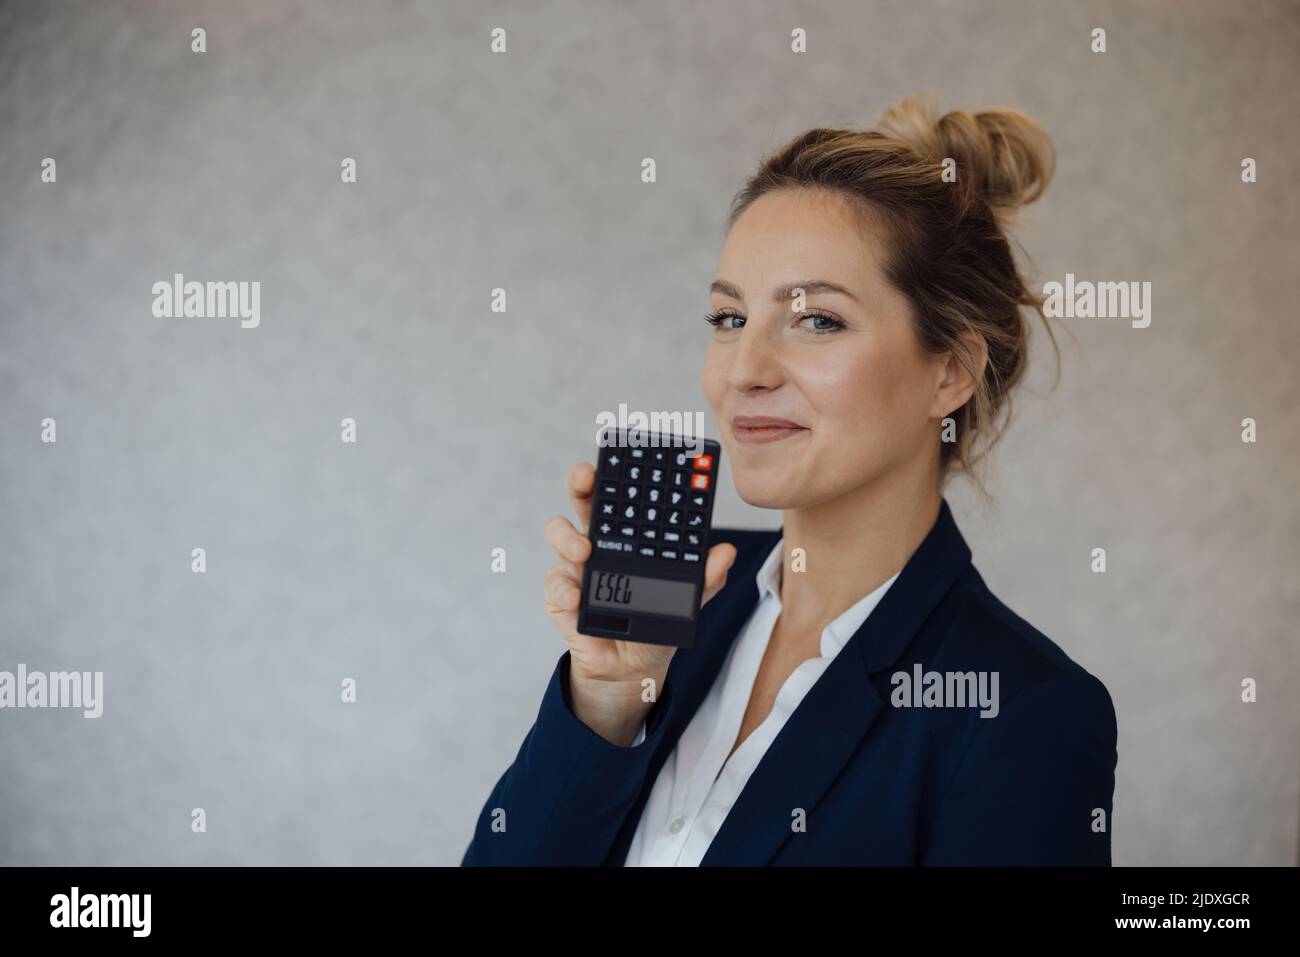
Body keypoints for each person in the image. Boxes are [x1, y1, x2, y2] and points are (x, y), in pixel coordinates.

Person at [462, 94, 1117, 866]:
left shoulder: (1024, 712)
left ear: (951, 371)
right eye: (729, 319)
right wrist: (607, 700)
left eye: (817, 321)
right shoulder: (685, 594)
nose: (744, 371)